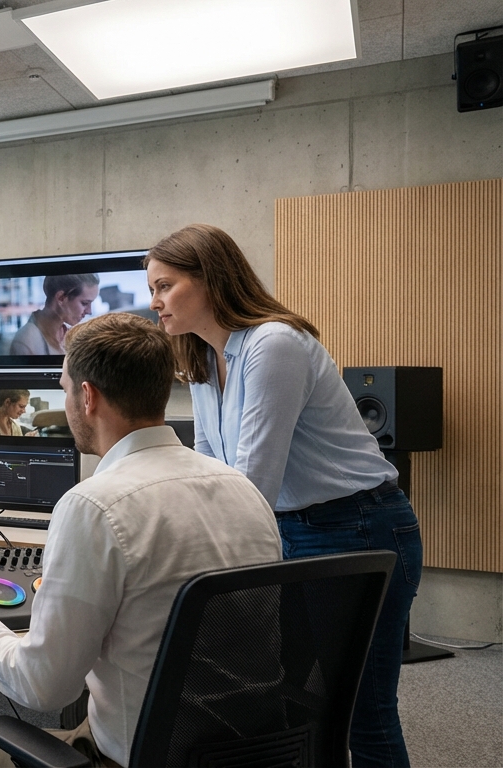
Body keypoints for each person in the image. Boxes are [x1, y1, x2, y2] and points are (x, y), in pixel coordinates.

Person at [0, 313, 282, 768]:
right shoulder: (244, 488)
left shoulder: (94, 506)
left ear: (87, 396)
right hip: (255, 751)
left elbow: (43, 687)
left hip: (135, 755)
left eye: (64, 389)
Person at [146, 223, 420, 767]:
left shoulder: (274, 344)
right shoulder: (201, 357)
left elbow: (252, 480)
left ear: (211, 279)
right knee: (288, 704)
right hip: (286, 529)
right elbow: (206, 462)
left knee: (362, 712)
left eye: (165, 286)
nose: (154, 301)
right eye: (152, 288)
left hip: (355, 526)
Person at [9, 273, 101, 356]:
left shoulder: (69, 335)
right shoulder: (26, 342)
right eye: (85, 303)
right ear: (61, 298)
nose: (89, 311)